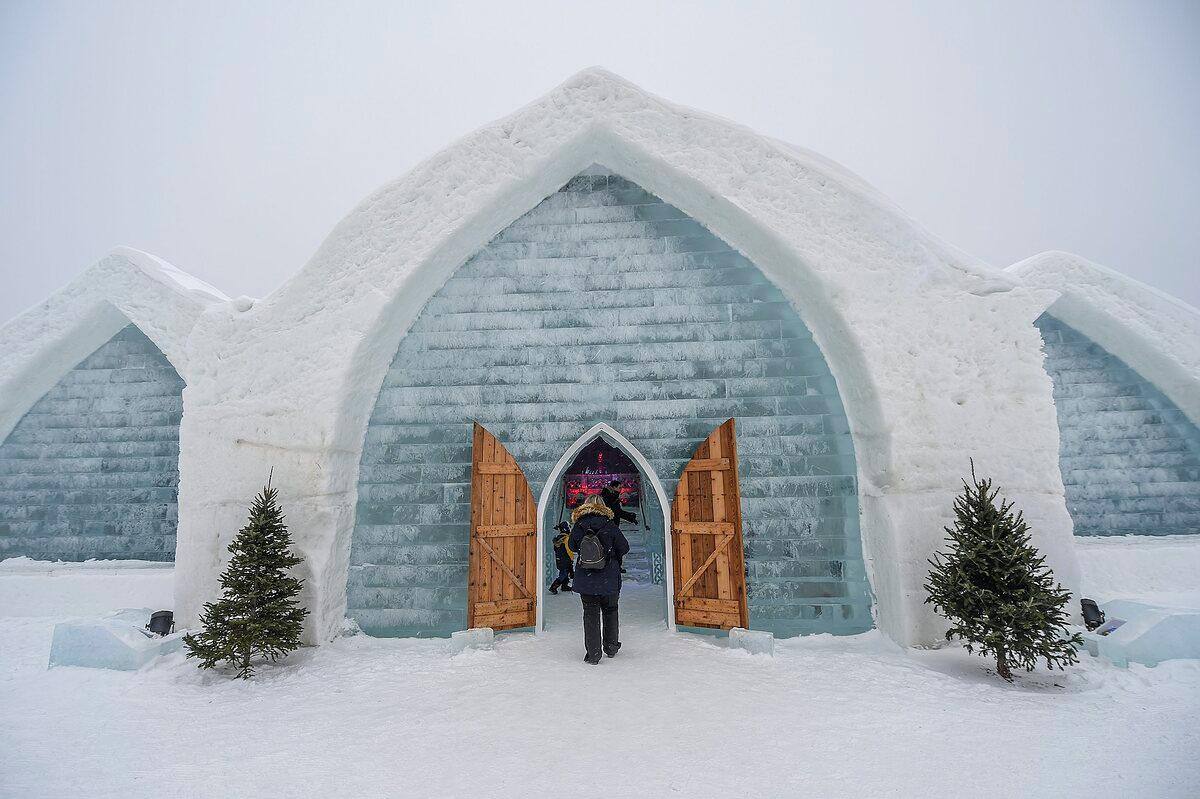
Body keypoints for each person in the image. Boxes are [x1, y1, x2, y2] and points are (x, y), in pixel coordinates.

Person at [568, 494, 630, 664]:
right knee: (611, 610)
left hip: (586, 578)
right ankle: (611, 646)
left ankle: (593, 655)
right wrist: (611, 556)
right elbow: (624, 547)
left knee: (590, 614)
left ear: (585, 506)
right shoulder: (609, 525)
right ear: (603, 506)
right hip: (608, 576)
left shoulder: (579, 525)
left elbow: (572, 546)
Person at [549, 522, 574, 594]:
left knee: (564, 572)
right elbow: (569, 550)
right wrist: (571, 558)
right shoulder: (566, 539)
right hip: (566, 559)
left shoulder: (558, 539)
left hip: (559, 559)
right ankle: (553, 587)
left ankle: (564, 586)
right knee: (563, 574)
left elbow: (555, 549)